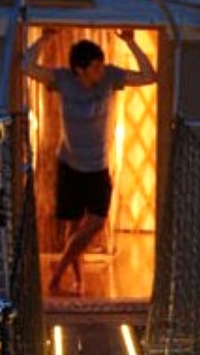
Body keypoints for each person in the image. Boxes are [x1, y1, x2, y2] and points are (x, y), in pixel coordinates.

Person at [20, 26, 157, 295]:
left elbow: (149, 76)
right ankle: (77, 282)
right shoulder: (62, 79)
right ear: (79, 70)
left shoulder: (110, 78)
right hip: (70, 164)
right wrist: (46, 37)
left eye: (101, 66)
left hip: (98, 166)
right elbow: (26, 65)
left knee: (95, 223)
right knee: (73, 225)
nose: (100, 71)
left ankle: (57, 275)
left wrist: (131, 42)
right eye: (95, 67)